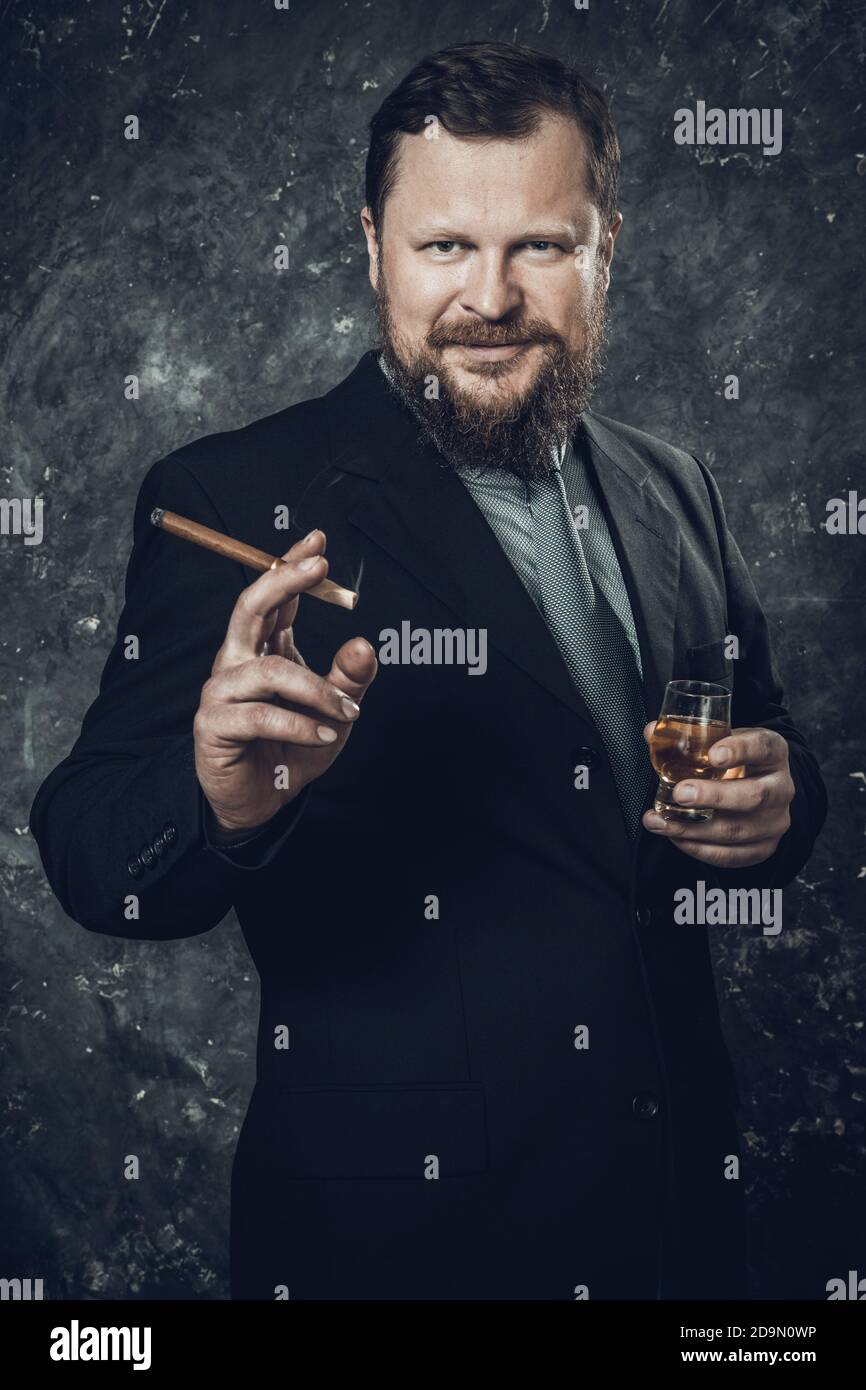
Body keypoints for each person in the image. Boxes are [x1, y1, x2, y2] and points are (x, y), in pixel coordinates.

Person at [30, 40, 827, 1300]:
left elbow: (753, 738)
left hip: (675, 1227)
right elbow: (88, 850)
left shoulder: (675, 485)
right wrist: (219, 796)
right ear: (371, 249)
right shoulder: (229, 497)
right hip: (403, 1248)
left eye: (541, 248)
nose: (491, 296)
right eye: (445, 246)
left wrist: (782, 805)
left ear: (603, 247)